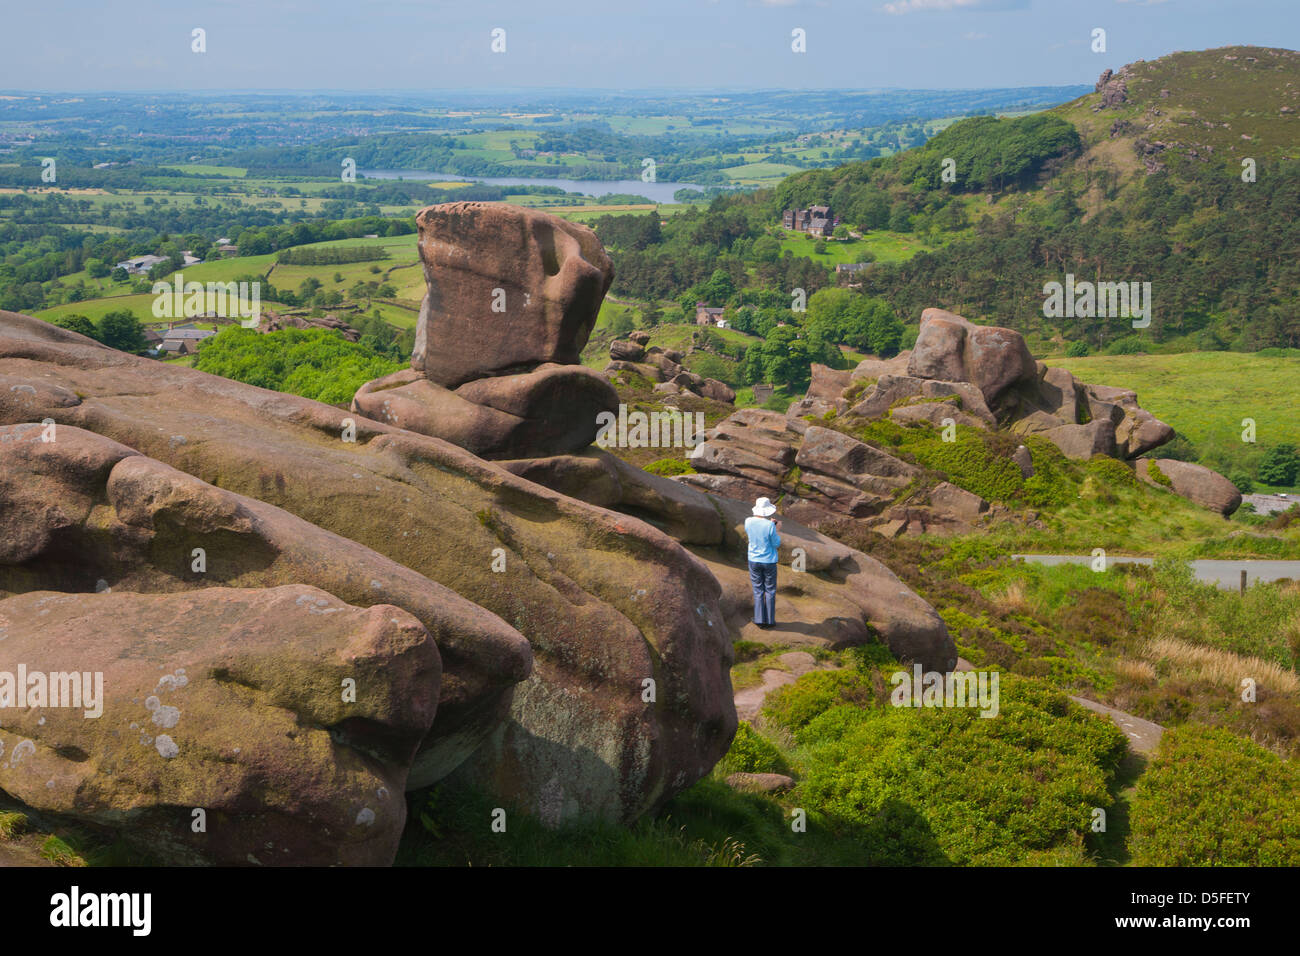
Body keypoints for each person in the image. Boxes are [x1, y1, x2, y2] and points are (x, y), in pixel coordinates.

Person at [744, 496, 781, 628]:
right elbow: (776, 543)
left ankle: (759, 619)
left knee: (758, 589)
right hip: (769, 561)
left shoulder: (748, 521)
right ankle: (770, 620)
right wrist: (776, 529)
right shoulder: (770, 525)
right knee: (770, 590)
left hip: (753, 559)